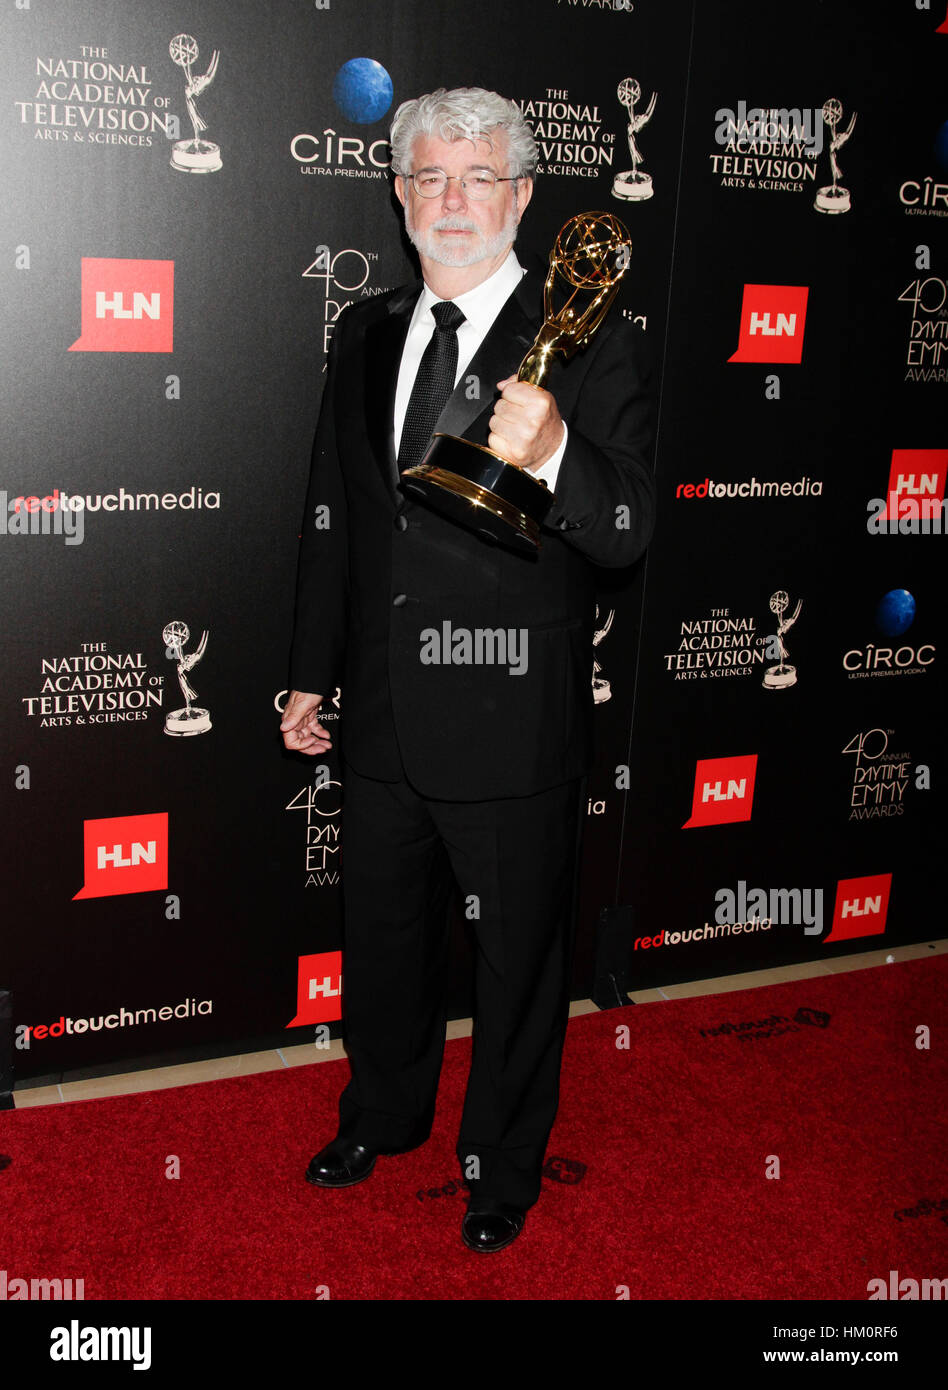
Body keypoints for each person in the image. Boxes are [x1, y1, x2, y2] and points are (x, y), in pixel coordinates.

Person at [281, 86, 655, 1254]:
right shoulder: (363, 332)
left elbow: (632, 527)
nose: (453, 200)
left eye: (479, 177)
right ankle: (381, 1117)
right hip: (383, 718)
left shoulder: (596, 339)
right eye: (430, 177)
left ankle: (499, 1168)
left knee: (516, 967)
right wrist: (308, 674)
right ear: (398, 195)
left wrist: (556, 452)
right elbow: (332, 519)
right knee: (383, 945)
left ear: (524, 195)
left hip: (510, 725)